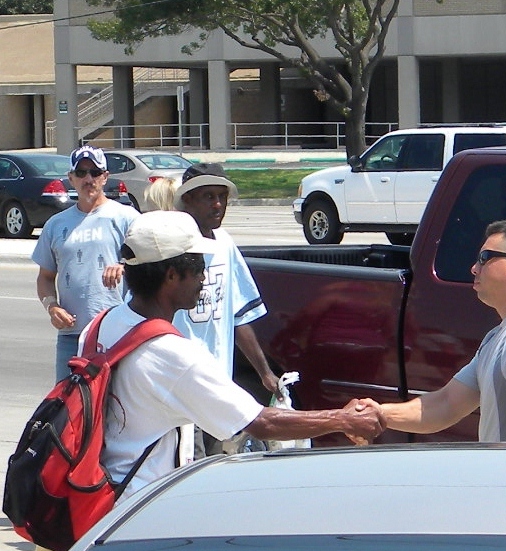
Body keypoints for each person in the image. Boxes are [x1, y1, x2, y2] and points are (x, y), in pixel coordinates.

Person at [97, 211, 382, 499]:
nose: (204, 277)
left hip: (104, 489)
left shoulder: (103, 324)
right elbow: (261, 423)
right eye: (197, 267)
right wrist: (343, 420)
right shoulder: (173, 354)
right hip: (145, 501)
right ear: (171, 275)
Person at [377, 219, 506, 443]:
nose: (474, 268)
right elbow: (446, 404)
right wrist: (378, 414)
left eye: (485, 258)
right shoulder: (503, 335)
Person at [172, 162, 279, 453]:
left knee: (214, 461)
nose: (218, 204)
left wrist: (264, 372)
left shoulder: (225, 244)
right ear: (188, 199)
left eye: (223, 196)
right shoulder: (171, 245)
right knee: (185, 464)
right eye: (208, 196)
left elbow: (239, 315)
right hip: (179, 384)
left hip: (216, 383)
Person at [32, 146, 138, 382]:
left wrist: (124, 266)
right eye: (81, 173)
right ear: (71, 178)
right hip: (72, 336)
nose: (88, 179)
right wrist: (52, 307)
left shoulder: (127, 218)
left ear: (105, 177)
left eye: (95, 172)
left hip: (117, 332)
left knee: (116, 410)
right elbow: (45, 277)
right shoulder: (56, 224)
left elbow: (150, 267)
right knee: (67, 410)